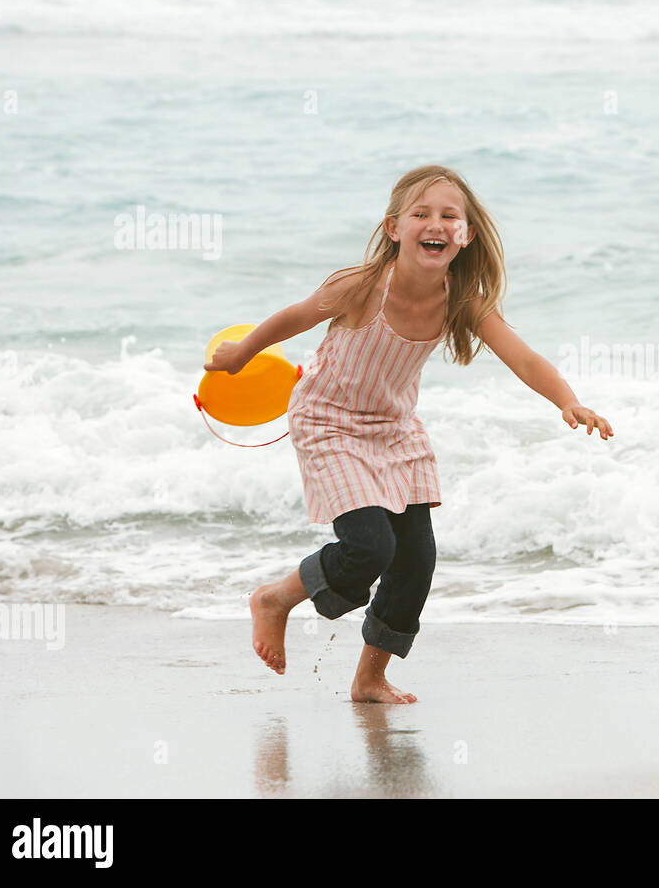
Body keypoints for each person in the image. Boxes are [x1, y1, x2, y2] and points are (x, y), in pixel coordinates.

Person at [203, 165, 613, 702]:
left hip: (394, 430)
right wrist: (241, 355)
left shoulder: (461, 299)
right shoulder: (361, 286)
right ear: (394, 227)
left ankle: (369, 678)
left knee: (416, 561)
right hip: (329, 422)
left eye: (449, 216)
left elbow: (524, 358)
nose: (435, 223)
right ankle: (276, 599)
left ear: (464, 235)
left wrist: (568, 400)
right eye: (421, 214)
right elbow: (295, 318)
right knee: (370, 546)